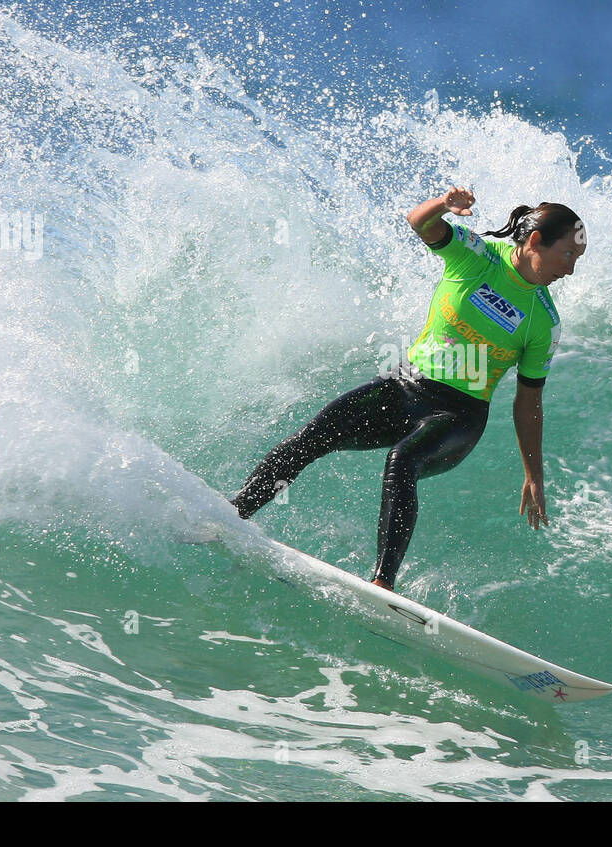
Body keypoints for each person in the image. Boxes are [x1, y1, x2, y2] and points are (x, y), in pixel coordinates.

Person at [228, 186, 586, 591]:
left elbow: (528, 403)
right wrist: (444, 205)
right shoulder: (478, 255)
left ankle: (383, 582)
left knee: (402, 461)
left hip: (459, 416)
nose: (570, 270)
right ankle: (231, 516)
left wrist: (533, 475)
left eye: (577, 259)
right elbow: (421, 222)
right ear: (536, 241)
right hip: (405, 386)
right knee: (313, 435)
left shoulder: (544, 321)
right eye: (568, 255)